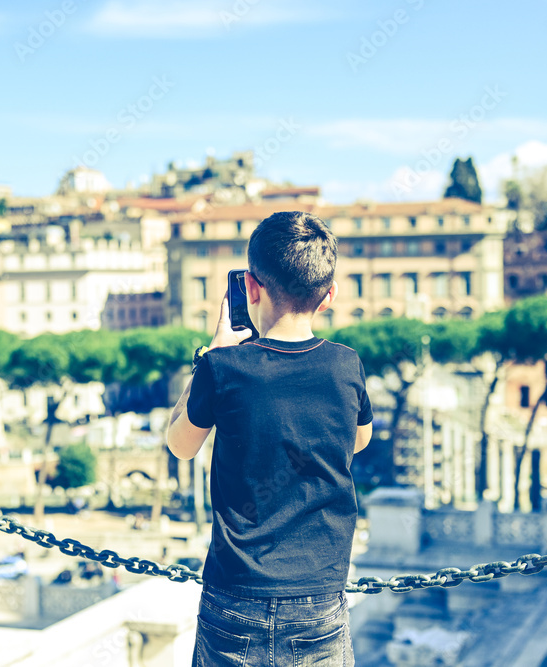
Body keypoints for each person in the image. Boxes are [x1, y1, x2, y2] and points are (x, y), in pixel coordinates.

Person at [167, 211, 373, 666]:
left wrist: (209, 356)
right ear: (329, 295)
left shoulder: (223, 368)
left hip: (234, 599)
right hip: (319, 599)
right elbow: (359, 441)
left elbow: (178, 443)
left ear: (250, 288)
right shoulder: (347, 364)